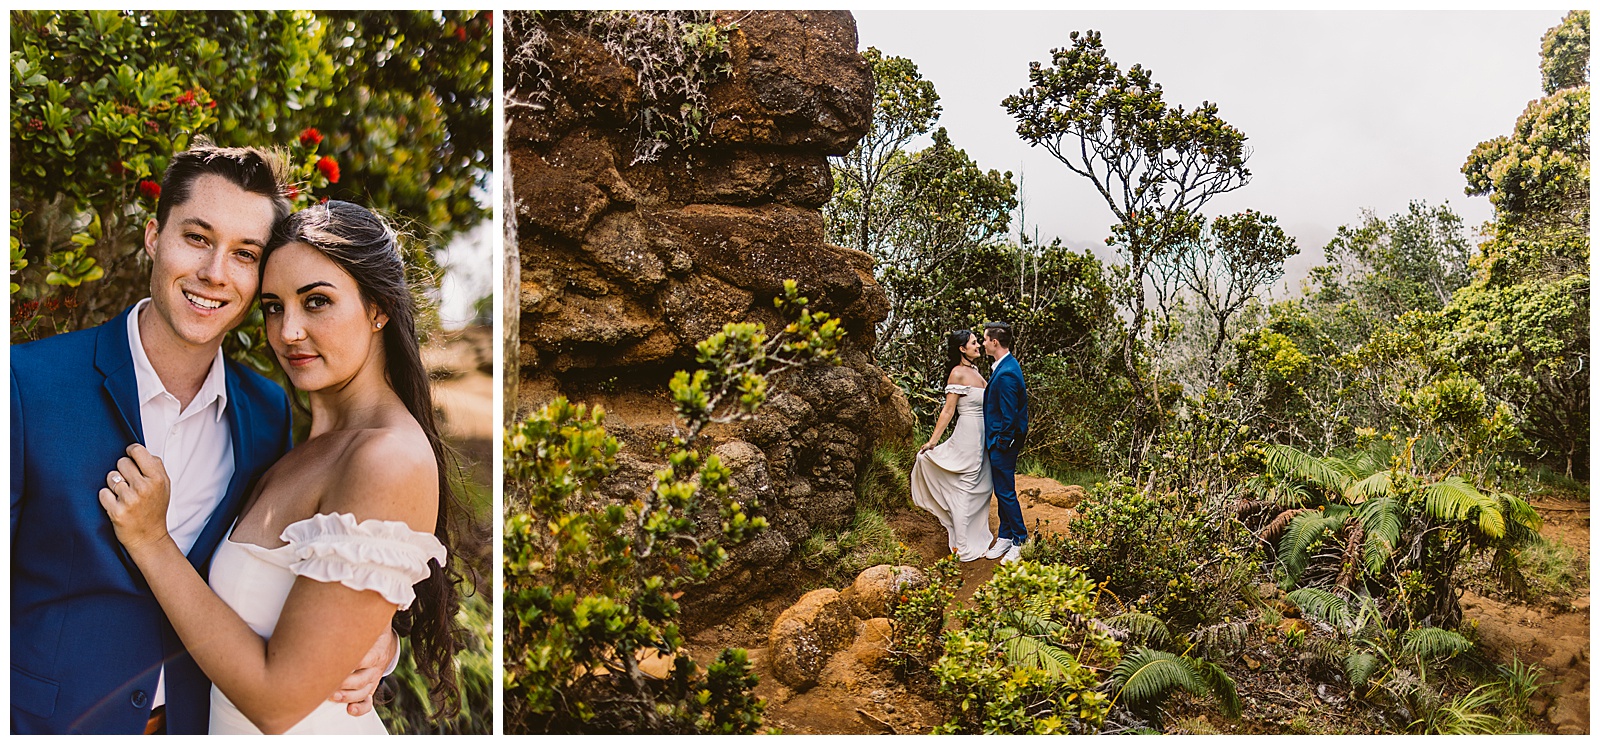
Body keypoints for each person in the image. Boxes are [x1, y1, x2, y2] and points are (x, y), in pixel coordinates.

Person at [10, 141, 390, 735]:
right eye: (197, 238)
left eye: (244, 254)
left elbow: (286, 568)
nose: (215, 273)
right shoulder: (25, 385)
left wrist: (372, 636)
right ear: (153, 237)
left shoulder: (266, 411)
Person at [99, 200, 467, 734]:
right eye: (274, 307)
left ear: (379, 308)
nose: (288, 331)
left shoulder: (387, 458)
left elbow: (277, 703)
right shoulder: (293, 438)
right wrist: (372, 641)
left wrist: (152, 542)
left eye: (317, 301)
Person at [909, 330, 994, 562]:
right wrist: (933, 441)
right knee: (966, 486)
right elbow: (948, 411)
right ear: (962, 349)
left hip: (982, 434)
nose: (978, 346)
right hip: (969, 433)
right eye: (973, 343)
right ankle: (963, 546)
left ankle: (972, 536)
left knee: (983, 485)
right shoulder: (957, 373)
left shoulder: (975, 371)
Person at [979, 321, 1030, 563]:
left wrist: (1001, 442)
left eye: (985, 339)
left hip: (1004, 444)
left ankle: (1020, 539)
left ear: (994, 342)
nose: (982, 343)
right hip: (1001, 442)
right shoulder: (1004, 366)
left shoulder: (1007, 372)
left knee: (1005, 491)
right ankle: (1005, 536)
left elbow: (1010, 415)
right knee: (1001, 490)